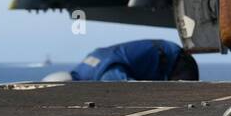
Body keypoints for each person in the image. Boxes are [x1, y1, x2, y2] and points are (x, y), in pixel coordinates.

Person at [64, 39, 199, 81]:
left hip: (178, 64)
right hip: (171, 55)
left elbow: (134, 91)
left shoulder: (107, 74)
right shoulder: (85, 64)